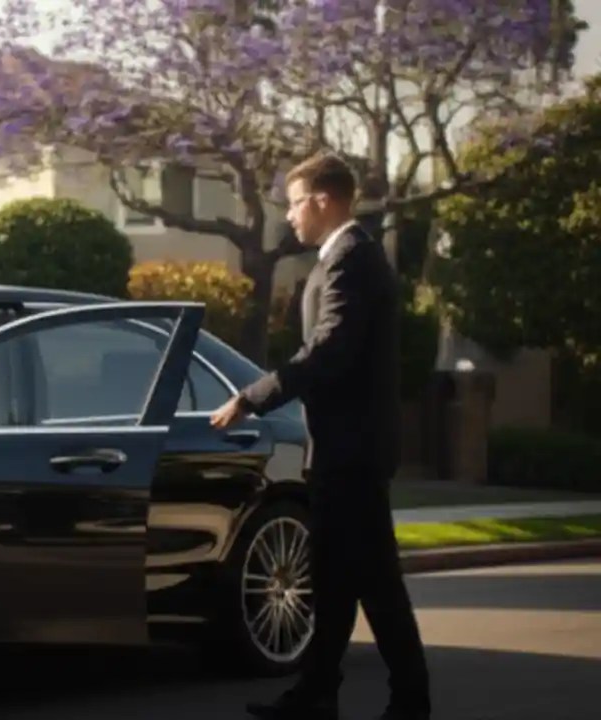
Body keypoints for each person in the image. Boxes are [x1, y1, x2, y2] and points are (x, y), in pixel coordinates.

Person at [210, 152, 431, 720]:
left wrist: (251, 396)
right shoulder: (345, 259)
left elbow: (329, 352)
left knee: (375, 583)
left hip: (352, 452)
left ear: (323, 200)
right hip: (344, 448)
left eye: (294, 203)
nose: (289, 216)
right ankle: (318, 692)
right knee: (334, 580)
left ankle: (408, 700)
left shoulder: (351, 261)